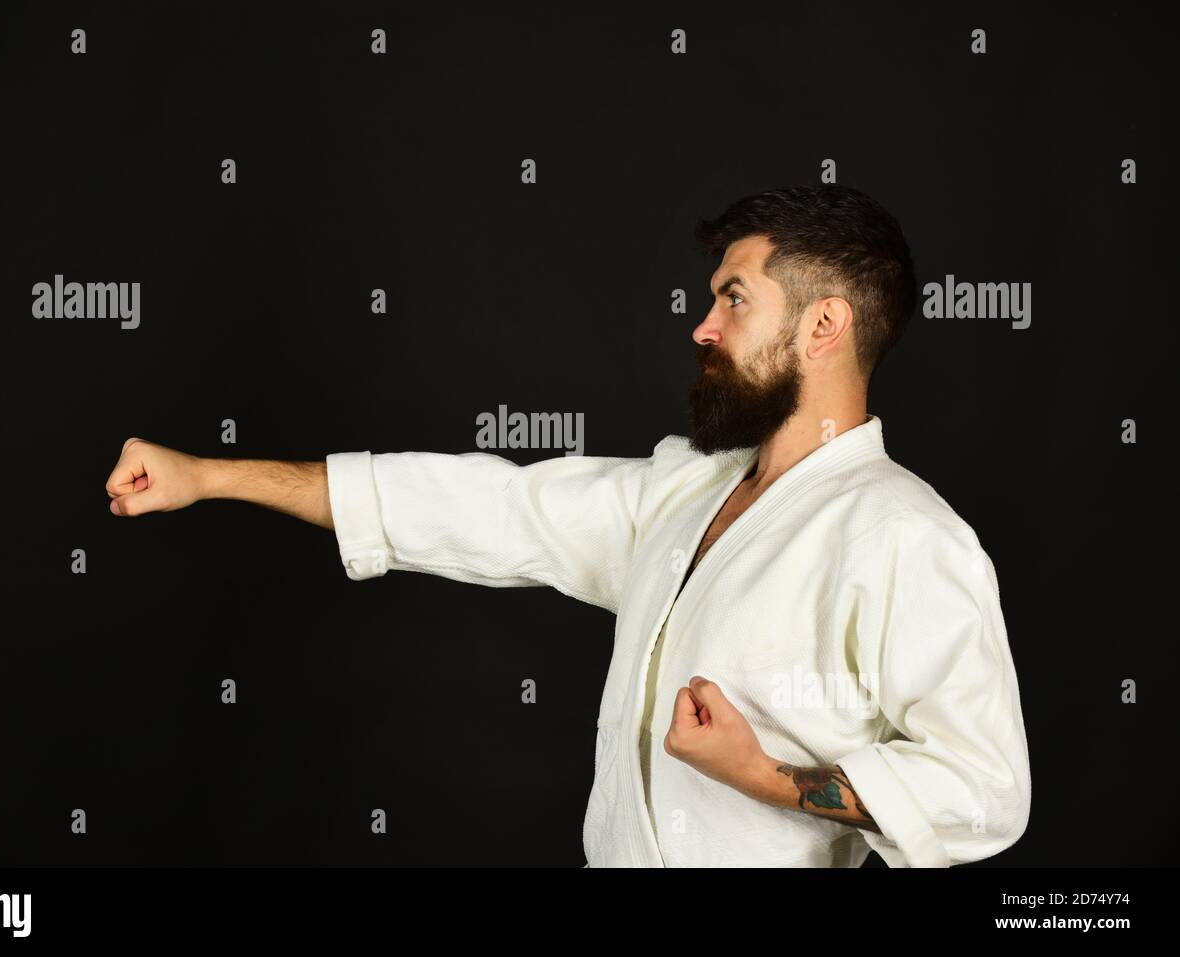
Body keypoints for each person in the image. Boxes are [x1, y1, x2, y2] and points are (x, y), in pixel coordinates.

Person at [105, 184, 1031, 867]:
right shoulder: (690, 493)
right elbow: (492, 507)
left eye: (734, 297)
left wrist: (763, 775)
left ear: (824, 323)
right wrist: (212, 474)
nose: (703, 327)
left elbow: (986, 788)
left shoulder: (901, 533)